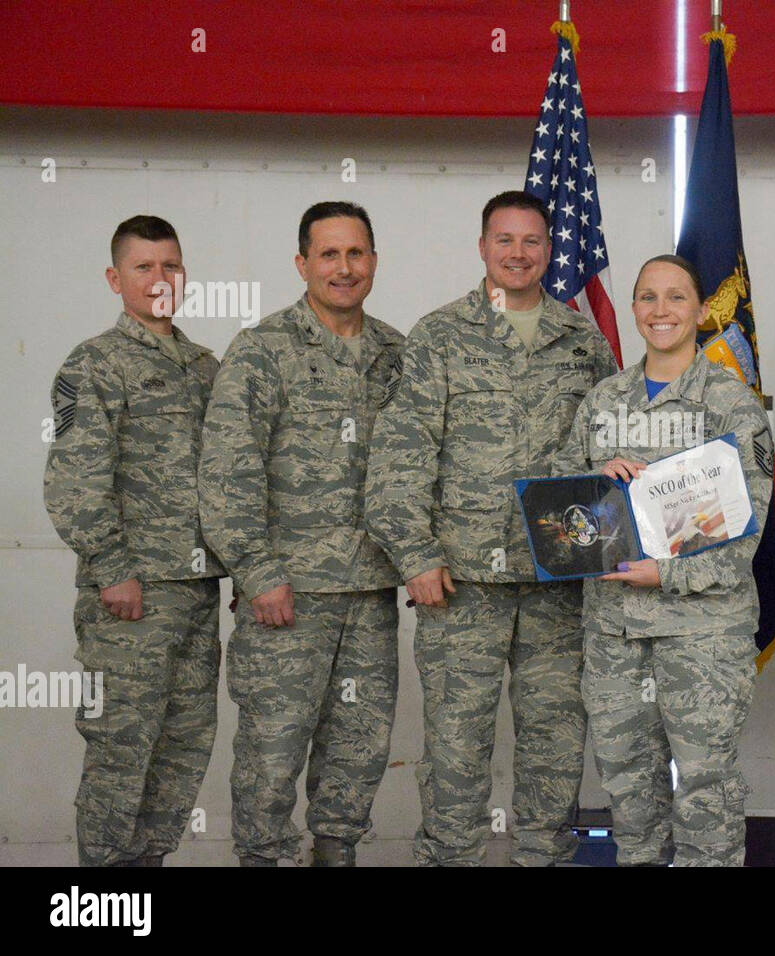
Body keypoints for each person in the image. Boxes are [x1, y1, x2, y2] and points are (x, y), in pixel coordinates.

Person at [364, 190, 617, 866]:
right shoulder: (439, 336)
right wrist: (415, 557)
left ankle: (544, 858)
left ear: (549, 251)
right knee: (454, 746)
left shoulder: (583, 343)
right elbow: (399, 460)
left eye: (532, 241)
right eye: (504, 240)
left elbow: (607, 450)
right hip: (461, 582)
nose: (518, 254)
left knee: (557, 742)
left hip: (555, 583)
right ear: (482, 248)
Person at [199, 202, 405, 867]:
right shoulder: (262, 351)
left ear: (373, 261)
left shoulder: (397, 355)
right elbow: (227, 472)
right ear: (303, 264)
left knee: (358, 751)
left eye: (356, 254)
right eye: (329, 255)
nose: (344, 268)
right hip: (286, 597)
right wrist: (258, 574)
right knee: (271, 754)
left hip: (370, 593)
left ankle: (336, 856)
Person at [554, 255, 774, 866]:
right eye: (647, 297)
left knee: (706, 790)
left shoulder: (732, 405)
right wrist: (592, 483)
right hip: (614, 631)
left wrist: (668, 573)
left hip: (701, 634)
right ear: (632, 309)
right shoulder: (604, 399)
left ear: (702, 311)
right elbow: (559, 512)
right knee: (630, 795)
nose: (660, 311)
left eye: (676, 298)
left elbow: (745, 531)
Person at [44, 214, 224, 866]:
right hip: (131, 600)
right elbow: (74, 482)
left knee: (183, 750)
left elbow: (228, 478)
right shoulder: (93, 364)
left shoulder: (206, 369)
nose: (160, 279)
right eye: (144, 267)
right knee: (122, 752)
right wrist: (113, 567)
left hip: (197, 593)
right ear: (114, 278)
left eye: (171, 265)